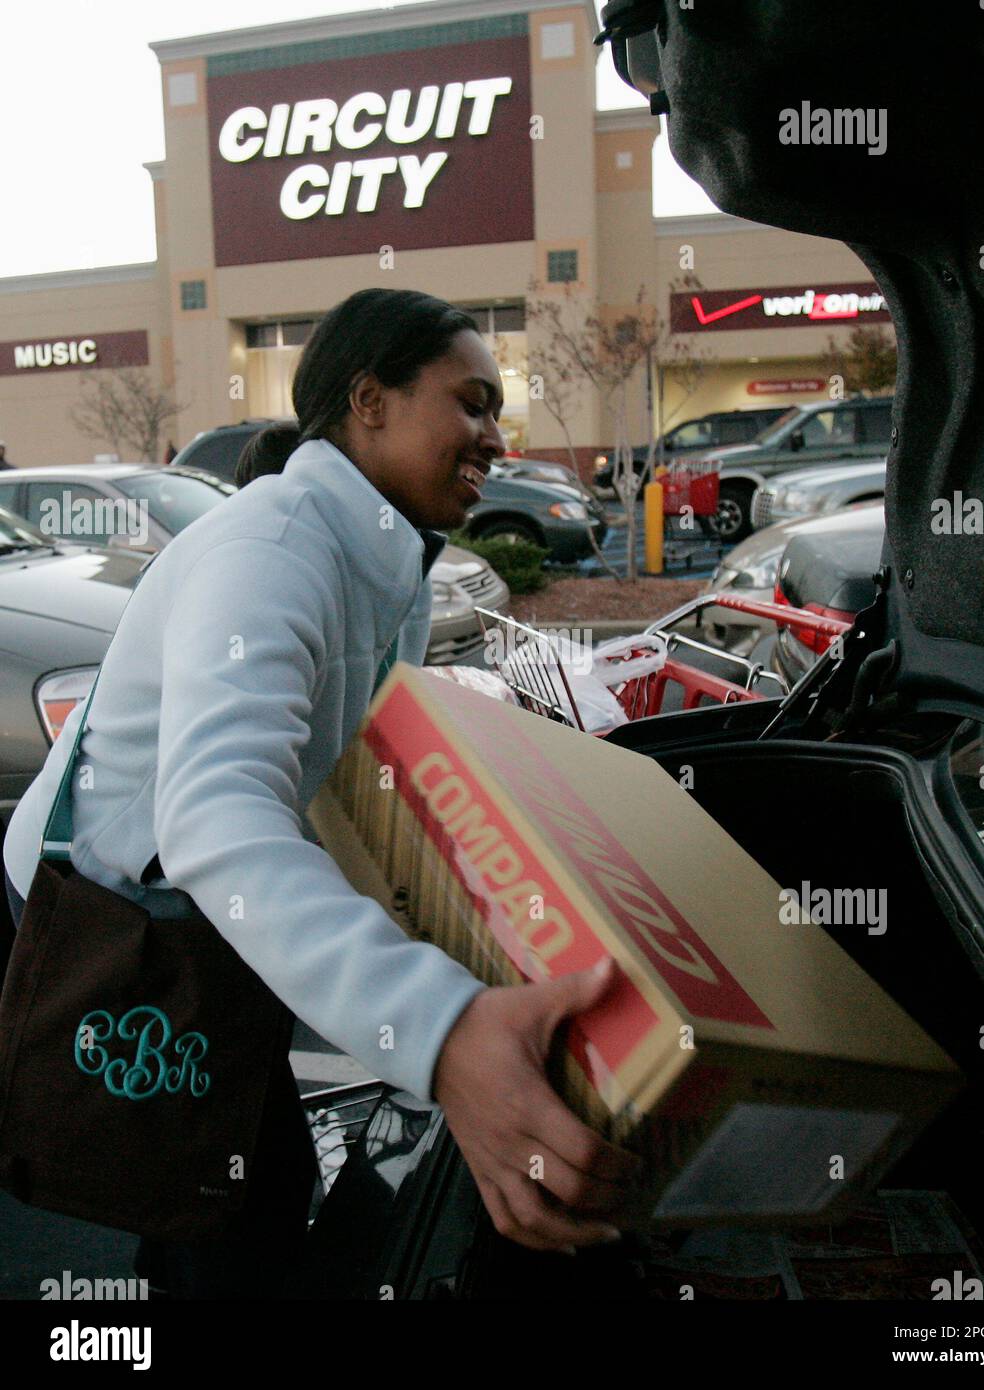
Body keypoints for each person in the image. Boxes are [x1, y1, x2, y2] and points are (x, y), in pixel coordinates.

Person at [3, 288, 638, 1297]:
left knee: (236, 1183)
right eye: (469, 402)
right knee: (209, 1190)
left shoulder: (385, 560)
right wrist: (443, 1029)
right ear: (369, 398)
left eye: (496, 409)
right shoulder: (273, 550)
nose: (492, 434)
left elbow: (352, 777)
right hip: (112, 902)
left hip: (201, 903)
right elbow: (215, 816)